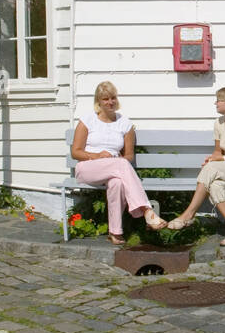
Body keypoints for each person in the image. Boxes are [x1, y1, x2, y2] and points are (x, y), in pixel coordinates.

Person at [70, 81, 167, 245]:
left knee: (117, 183)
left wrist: (114, 161)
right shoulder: (87, 121)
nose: (110, 102)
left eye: (113, 98)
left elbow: (128, 156)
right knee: (120, 165)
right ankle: (146, 211)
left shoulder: (125, 124)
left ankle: (115, 232)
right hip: (88, 167)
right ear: (98, 102)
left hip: (114, 168)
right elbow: (75, 152)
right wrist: (97, 156)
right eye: (105, 99)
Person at [168, 86, 225, 246]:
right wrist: (212, 159)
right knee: (216, 186)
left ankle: (189, 214)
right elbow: (218, 151)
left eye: (219, 100)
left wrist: (219, 161)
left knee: (212, 168)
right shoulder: (219, 123)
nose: (215, 103)